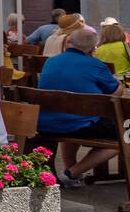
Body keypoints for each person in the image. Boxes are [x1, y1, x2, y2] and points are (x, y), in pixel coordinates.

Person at [37, 29, 122, 186]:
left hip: (46, 122)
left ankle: (72, 171)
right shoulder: (95, 65)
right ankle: (72, 172)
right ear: (93, 48)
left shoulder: (51, 61)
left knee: (74, 117)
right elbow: (115, 92)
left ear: (69, 42)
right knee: (129, 136)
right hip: (78, 123)